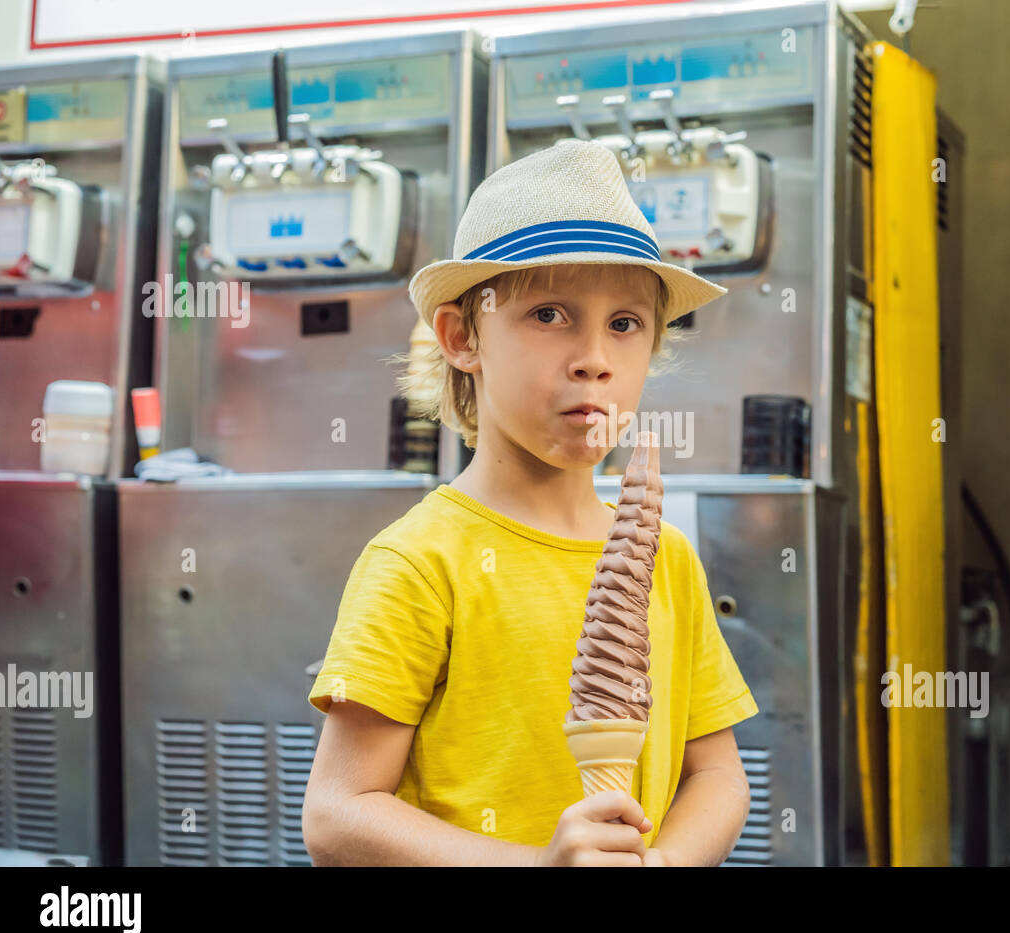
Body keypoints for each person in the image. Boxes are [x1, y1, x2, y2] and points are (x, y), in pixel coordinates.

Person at [302, 139, 759, 866]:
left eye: (625, 323)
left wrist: (663, 862)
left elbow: (719, 775)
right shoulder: (421, 561)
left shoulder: (665, 559)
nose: (594, 357)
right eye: (549, 314)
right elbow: (336, 816)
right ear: (461, 337)